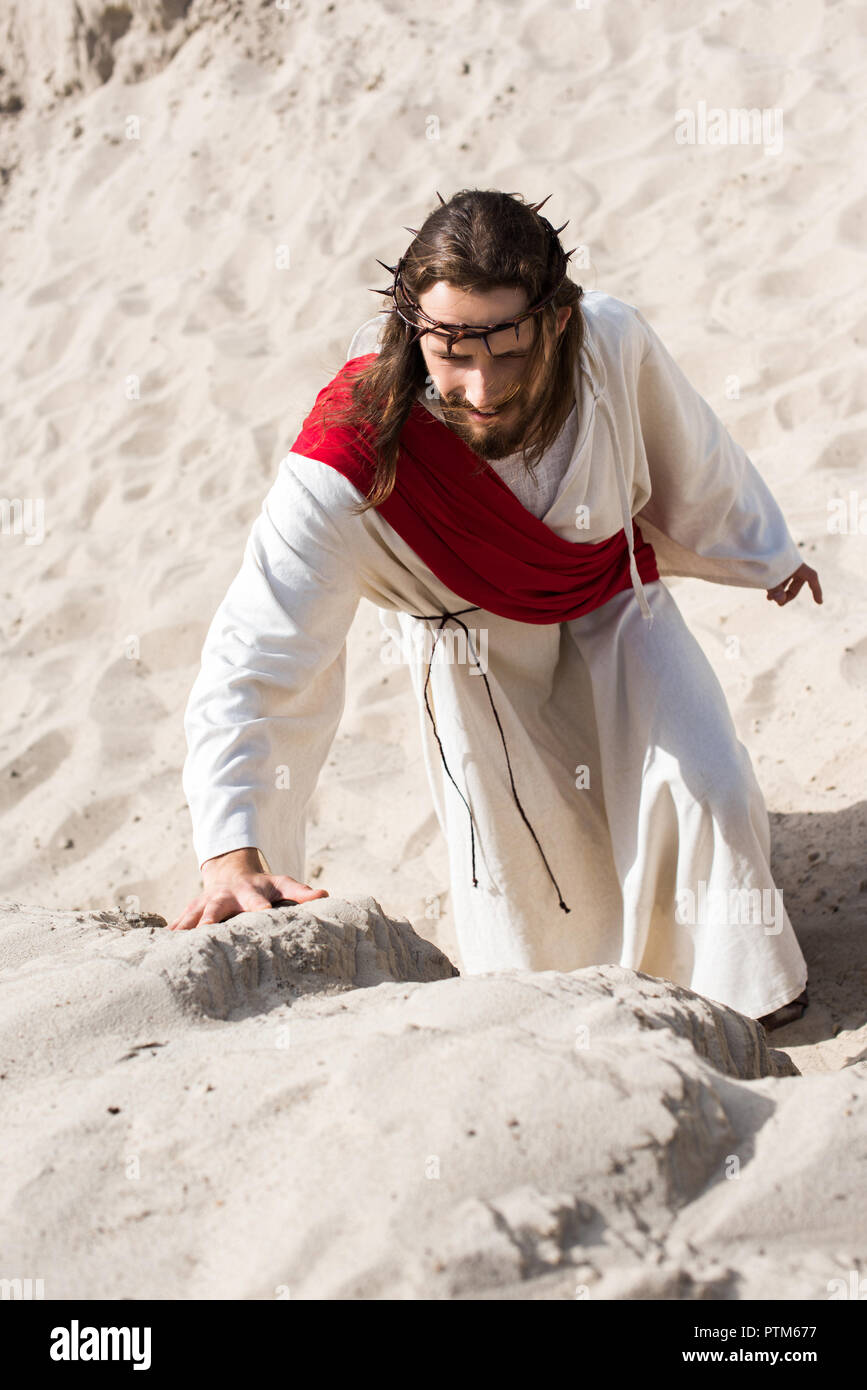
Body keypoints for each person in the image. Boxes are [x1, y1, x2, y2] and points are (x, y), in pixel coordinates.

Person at [171, 189, 821, 1031]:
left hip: (613, 602)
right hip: (470, 653)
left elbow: (687, 448)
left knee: (709, 788)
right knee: (541, 882)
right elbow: (254, 652)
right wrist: (231, 848)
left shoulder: (608, 341)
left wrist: (759, 548)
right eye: (451, 354)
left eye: (509, 353)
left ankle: (745, 996)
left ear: (554, 321)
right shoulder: (348, 459)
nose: (481, 389)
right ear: (414, 332)